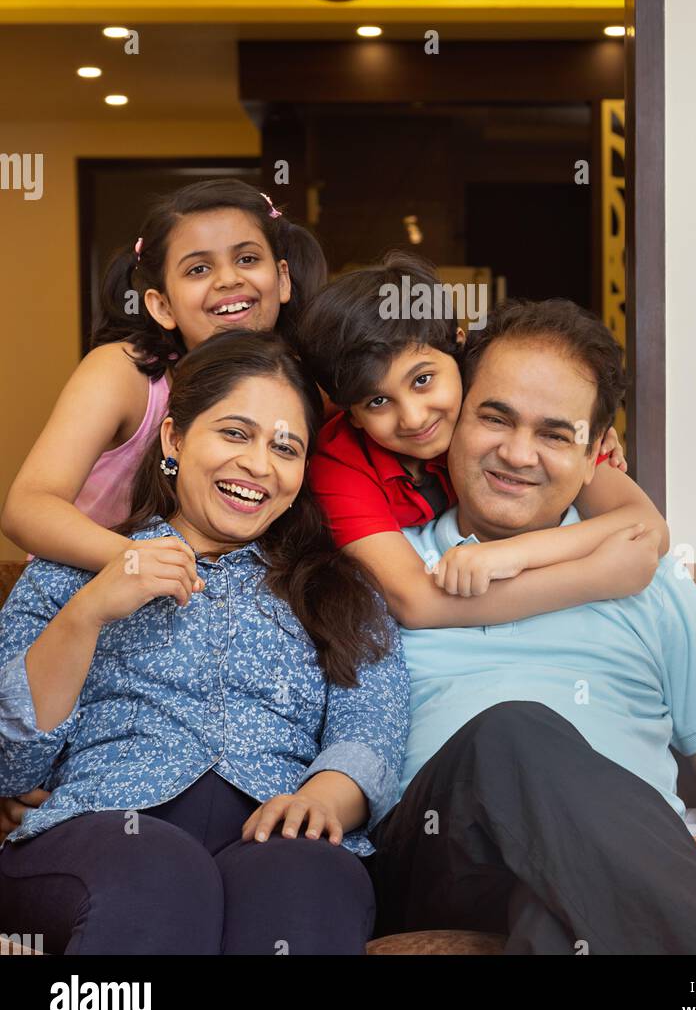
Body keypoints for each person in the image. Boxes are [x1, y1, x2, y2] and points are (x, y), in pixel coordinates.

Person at [369, 299, 696, 956]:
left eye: (553, 434)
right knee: (514, 730)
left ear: (597, 453)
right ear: (452, 419)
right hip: (435, 850)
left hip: (609, 860)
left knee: (559, 916)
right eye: (494, 417)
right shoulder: (387, 565)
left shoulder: (651, 578)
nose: (516, 454)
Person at [0, 331, 408, 955]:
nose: (259, 465)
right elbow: (12, 764)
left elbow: (373, 723)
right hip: (107, 831)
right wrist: (86, 614)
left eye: (286, 447)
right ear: (173, 439)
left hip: (274, 830)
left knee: (311, 877)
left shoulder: (341, 587)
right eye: (235, 433)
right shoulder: (70, 566)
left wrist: (321, 799)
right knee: (158, 868)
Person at [301, 252, 668, 629]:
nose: (414, 417)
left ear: (458, 350)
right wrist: (591, 579)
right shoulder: (340, 465)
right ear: (353, 414)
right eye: (377, 401)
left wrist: (511, 554)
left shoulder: (497, 414)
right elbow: (415, 603)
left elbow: (645, 523)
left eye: (423, 380)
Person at [1, 178, 326, 572]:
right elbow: (27, 507)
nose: (228, 279)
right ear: (162, 305)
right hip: (94, 588)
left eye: (247, 259)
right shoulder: (125, 373)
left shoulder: (299, 388)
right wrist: (140, 562)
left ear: (283, 278)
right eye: (199, 268)